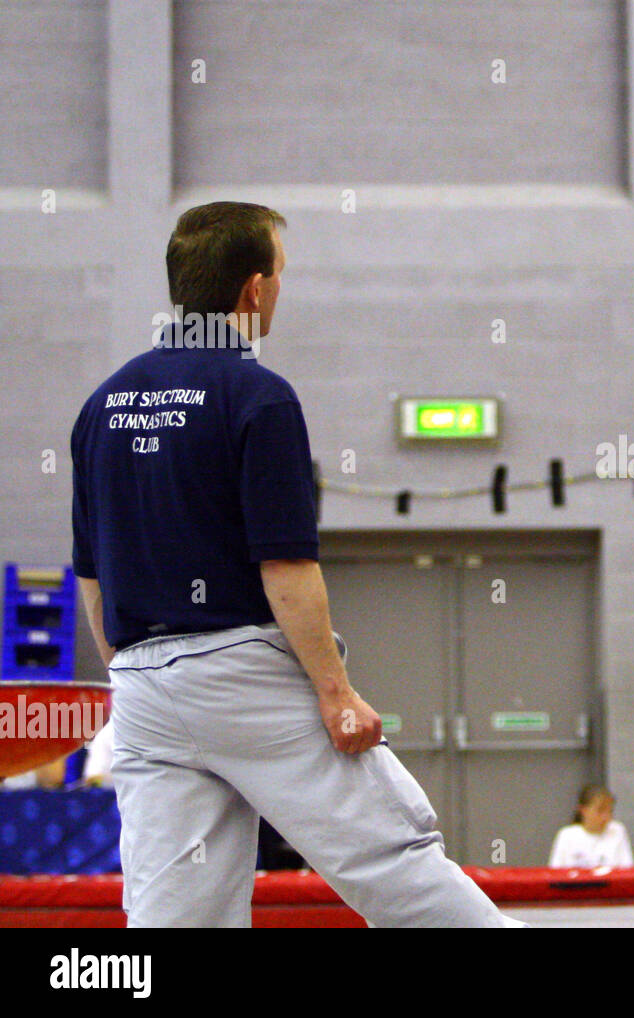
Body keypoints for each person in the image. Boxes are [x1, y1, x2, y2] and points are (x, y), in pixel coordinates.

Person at [71, 202, 519, 927]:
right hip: (241, 673)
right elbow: (285, 566)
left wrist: (141, 675)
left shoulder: (102, 405)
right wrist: (335, 693)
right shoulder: (257, 395)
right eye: (280, 273)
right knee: (388, 857)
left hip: (142, 686)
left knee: (175, 912)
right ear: (255, 289)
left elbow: (90, 573)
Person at [548, 783, 634, 868]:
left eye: (610, 811)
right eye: (600, 811)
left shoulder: (617, 831)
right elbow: (556, 873)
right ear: (583, 810)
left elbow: (627, 870)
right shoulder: (567, 836)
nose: (606, 817)